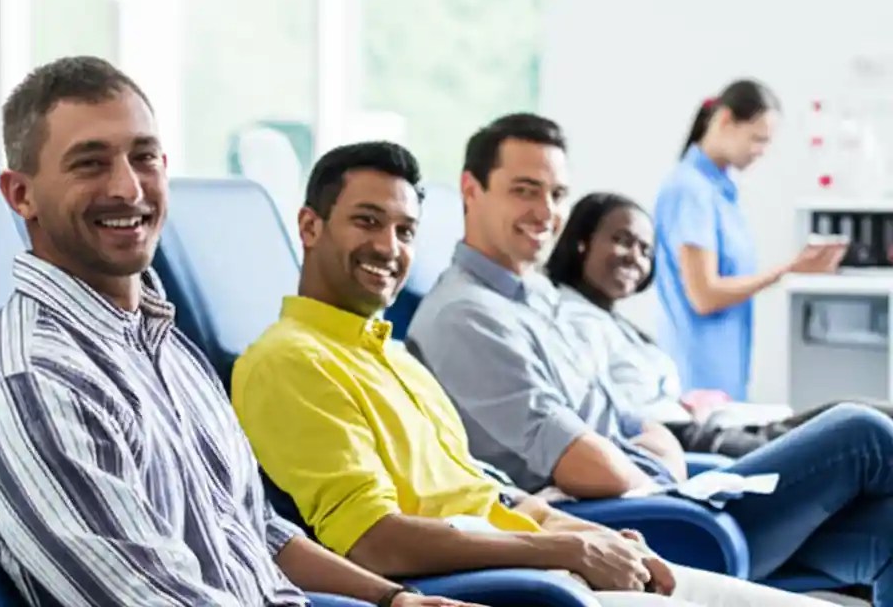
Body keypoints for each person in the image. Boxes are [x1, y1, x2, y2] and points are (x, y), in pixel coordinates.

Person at [0, 56, 473, 607]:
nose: (128, 187)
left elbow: (254, 530)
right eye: (90, 164)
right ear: (21, 195)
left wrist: (397, 601)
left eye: (143, 158)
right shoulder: (36, 386)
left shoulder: (164, 346)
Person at [232, 141, 827, 606]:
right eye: (367, 222)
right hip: (512, 585)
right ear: (310, 227)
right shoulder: (289, 360)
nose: (389, 246)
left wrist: (596, 538)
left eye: (405, 230)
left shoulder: (395, 356)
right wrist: (567, 550)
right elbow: (373, 541)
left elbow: (490, 494)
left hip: (547, 560)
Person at [406, 113, 893, 604]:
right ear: (471, 189)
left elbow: (624, 416)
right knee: (862, 431)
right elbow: (581, 465)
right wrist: (664, 470)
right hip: (633, 526)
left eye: (557, 195)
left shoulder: (532, 298)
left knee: (888, 528)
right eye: (525, 190)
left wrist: (662, 453)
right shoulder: (464, 316)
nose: (545, 212)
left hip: (662, 494)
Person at [546, 191, 893, 457]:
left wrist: (690, 403)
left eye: (645, 249)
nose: (635, 257)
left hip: (703, 424)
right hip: (684, 441)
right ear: (582, 242)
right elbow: (597, 415)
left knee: (849, 410)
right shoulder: (574, 321)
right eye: (622, 240)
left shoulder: (609, 321)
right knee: (858, 427)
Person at [654, 80, 841, 400]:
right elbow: (704, 295)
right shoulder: (690, 191)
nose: (760, 152)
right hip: (696, 378)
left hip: (726, 376)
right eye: (756, 139)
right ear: (725, 120)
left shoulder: (722, 192)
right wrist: (787, 270)